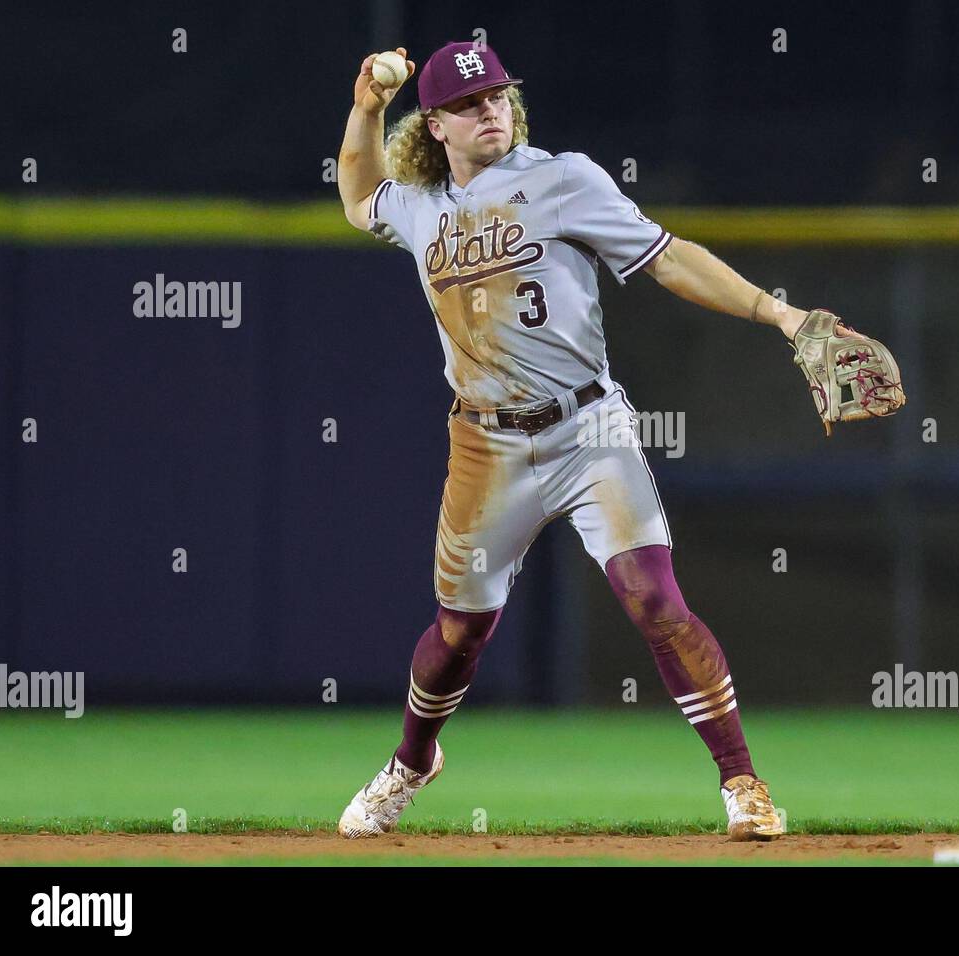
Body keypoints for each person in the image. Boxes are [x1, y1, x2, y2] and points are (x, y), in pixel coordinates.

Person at [336, 40, 815, 841]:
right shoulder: (420, 204)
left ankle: (743, 784)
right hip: (484, 444)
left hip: (589, 427)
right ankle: (413, 760)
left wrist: (781, 313)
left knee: (655, 598)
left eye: (495, 95)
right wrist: (364, 107)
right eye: (466, 104)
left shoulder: (564, 178)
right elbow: (357, 197)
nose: (487, 108)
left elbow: (667, 260)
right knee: (460, 634)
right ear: (436, 129)